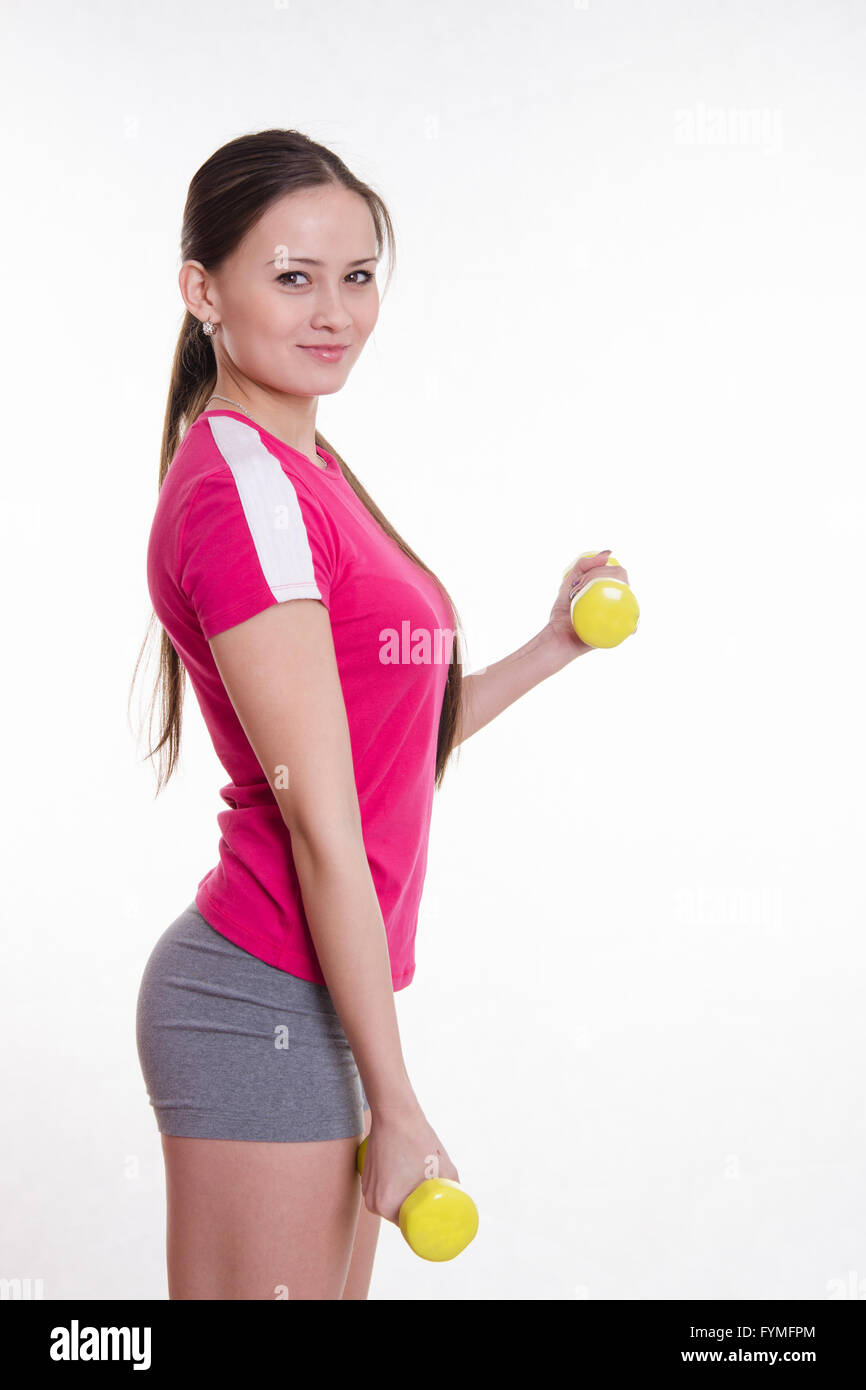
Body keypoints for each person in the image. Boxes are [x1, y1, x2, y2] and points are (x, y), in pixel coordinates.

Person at [129, 127, 626, 1300]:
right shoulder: (244, 495)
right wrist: (396, 1102)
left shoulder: (307, 467)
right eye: (291, 276)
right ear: (203, 289)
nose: (334, 312)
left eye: (357, 276)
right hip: (258, 993)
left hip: (322, 996)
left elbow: (376, 753)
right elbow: (320, 822)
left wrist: (548, 646)